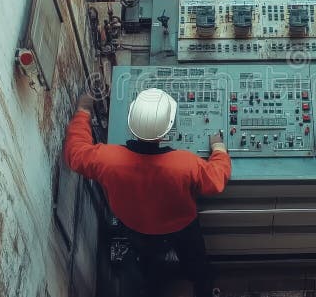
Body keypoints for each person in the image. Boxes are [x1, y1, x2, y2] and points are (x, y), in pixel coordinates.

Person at [64, 87, 231, 297]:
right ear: (168, 129)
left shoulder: (108, 160)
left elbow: (75, 153)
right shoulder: (185, 165)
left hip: (135, 226)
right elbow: (215, 181)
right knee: (195, 260)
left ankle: (151, 284)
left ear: (131, 123)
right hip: (182, 226)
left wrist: (83, 111)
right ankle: (201, 284)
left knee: (148, 261)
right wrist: (219, 150)